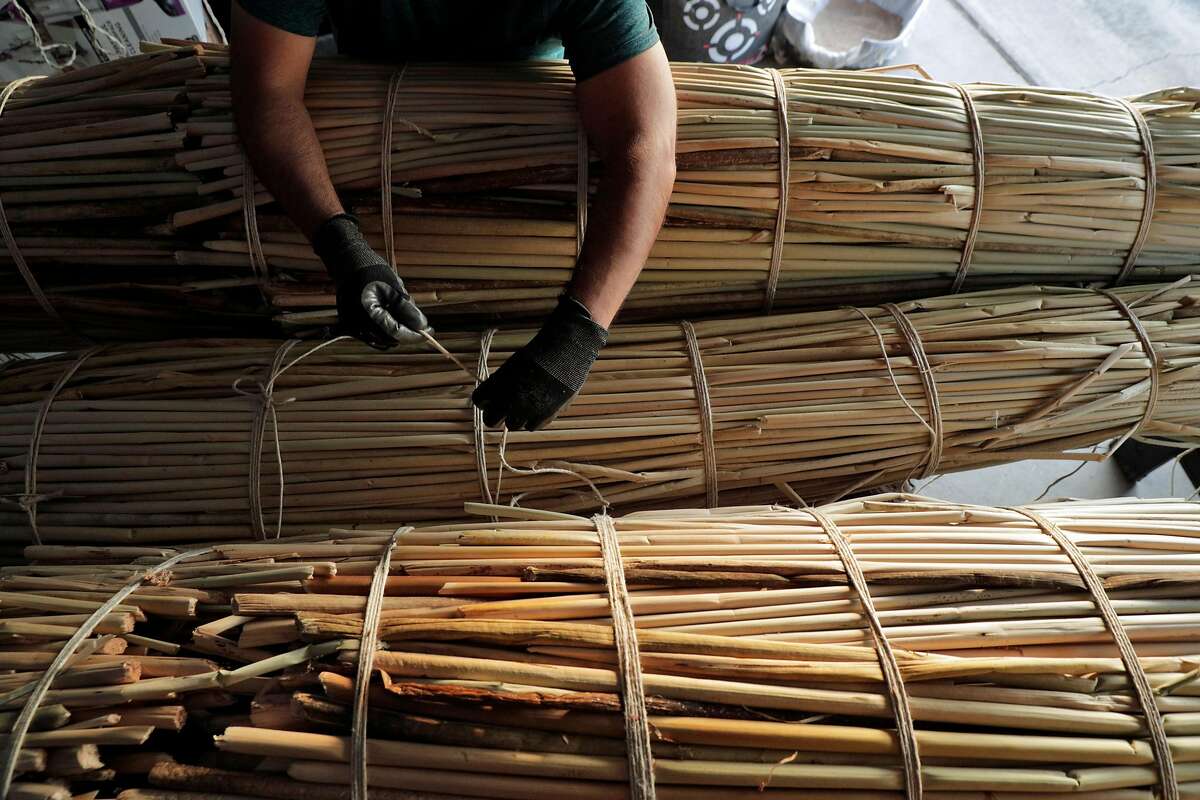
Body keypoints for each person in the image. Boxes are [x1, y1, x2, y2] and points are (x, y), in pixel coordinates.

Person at [230, 1, 677, 431]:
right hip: (359, 150)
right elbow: (268, 91)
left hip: (526, 179)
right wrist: (339, 244)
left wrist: (578, 336)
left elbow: (645, 147)